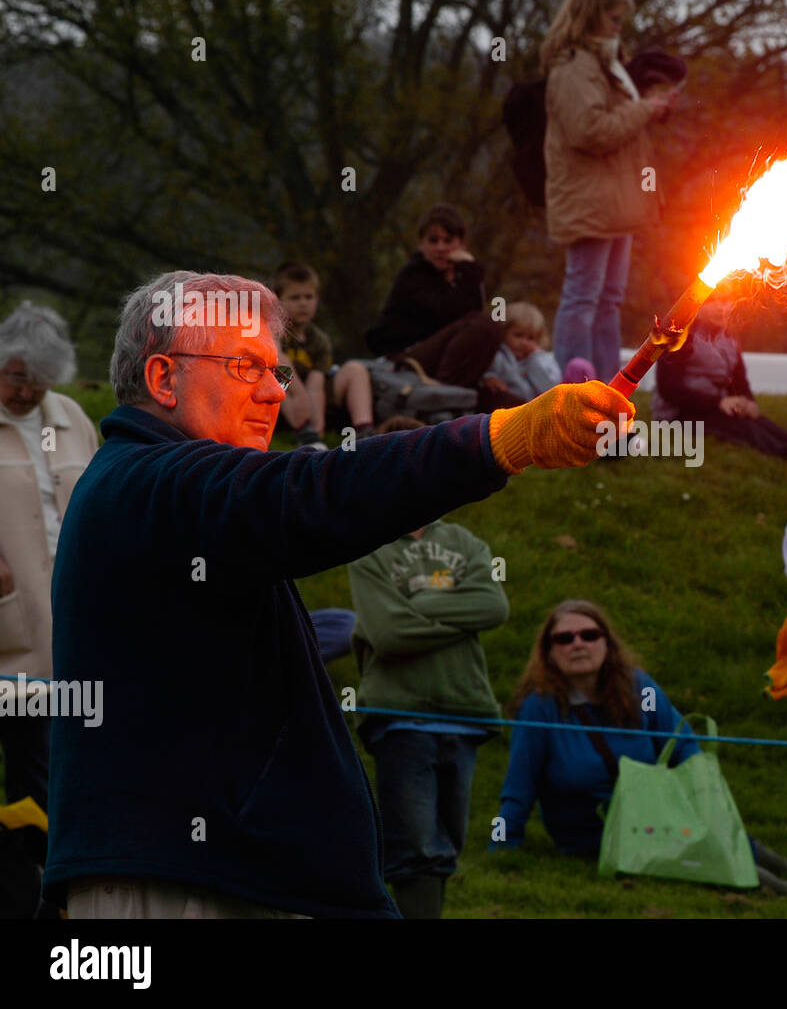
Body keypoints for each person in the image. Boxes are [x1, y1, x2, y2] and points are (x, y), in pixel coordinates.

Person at [43, 270, 633, 919]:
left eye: (277, 371)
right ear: (163, 379)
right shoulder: (147, 482)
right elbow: (317, 494)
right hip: (185, 880)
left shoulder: (162, 494)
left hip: (217, 873)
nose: (275, 391)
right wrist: (500, 438)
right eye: (245, 366)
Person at [495, 600, 787, 895]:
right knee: (693, 849)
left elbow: (681, 741)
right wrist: (502, 846)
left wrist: (695, 793)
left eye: (589, 635)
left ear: (606, 643)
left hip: (651, 810)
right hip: (590, 828)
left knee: (706, 827)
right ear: (549, 652)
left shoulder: (638, 688)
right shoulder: (539, 708)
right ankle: (779, 887)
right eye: (564, 638)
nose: (577, 644)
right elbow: (518, 786)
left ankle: (782, 864)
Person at [348, 439, 509, 919]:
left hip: (465, 708)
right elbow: (388, 633)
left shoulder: (466, 543)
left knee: (446, 847)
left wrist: (415, 606)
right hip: (399, 715)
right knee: (414, 847)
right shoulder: (366, 545)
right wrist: (455, 611)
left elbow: (494, 606)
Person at [0, 302, 98, 868]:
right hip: (12, 619)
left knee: (74, 742)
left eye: (37, 383)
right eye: (15, 377)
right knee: (27, 741)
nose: (23, 394)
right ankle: (28, 869)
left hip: (75, 610)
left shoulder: (67, 418)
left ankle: (68, 864)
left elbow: (97, 493)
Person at [541, 0, 677, 381]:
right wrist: (646, 110)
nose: (620, 25)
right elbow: (589, 131)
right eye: (613, 17)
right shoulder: (573, 69)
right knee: (583, 297)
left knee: (608, 299)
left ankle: (604, 390)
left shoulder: (604, 63)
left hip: (613, 199)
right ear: (592, 14)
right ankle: (571, 390)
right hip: (591, 198)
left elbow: (610, 124)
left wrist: (652, 107)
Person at [655, 294, 787, 469]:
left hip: (715, 406)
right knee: (741, 427)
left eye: (725, 300)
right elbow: (669, 389)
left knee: (756, 420)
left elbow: (738, 379)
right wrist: (718, 402)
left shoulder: (728, 338)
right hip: (680, 414)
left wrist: (748, 402)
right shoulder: (682, 337)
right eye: (712, 301)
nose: (720, 307)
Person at [367, 204, 506, 411]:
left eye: (448, 241)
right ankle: (443, 401)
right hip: (407, 361)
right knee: (485, 324)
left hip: (445, 364)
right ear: (420, 244)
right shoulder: (413, 276)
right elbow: (448, 312)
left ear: (462, 244)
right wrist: (470, 269)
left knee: (511, 404)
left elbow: (468, 327)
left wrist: (485, 374)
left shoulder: (462, 278)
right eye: (433, 241)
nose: (441, 247)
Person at [272, 261, 374, 449]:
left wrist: (317, 422)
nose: (303, 303)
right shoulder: (274, 330)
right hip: (284, 398)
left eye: (308, 297)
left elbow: (317, 383)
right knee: (277, 376)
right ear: (278, 301)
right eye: (295, 298)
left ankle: (364, 431)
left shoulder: (319, 339)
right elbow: (278, 359)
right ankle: (304, 432)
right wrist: (301, 395)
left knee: (355, 369)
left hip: (314, 400)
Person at [482, 302, 575, 402]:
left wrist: (535, 358)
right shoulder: (499, 356)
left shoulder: (544, 359)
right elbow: (486, 372)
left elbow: (551, 389)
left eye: (530, 338)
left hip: (536, 409)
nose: (524, 342)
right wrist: (489, 378)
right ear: (504, 333)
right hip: (507, 409)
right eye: (518, 335)